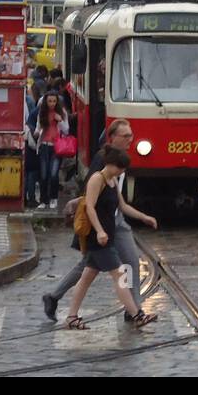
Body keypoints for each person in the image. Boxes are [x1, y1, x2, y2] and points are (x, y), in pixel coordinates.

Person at [41, 118, 157, 323]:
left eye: (131, 135)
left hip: (115, 221)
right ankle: (133, 311)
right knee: (95, 269)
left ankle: (133, 309)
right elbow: (91, 193)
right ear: (112, 138)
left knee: (125, 263)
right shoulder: (102, 160)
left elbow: (118, 199)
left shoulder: (121, 158)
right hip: (101, 224)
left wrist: (143, 216)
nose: (130, 139)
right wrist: (80, 205)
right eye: (125, 136)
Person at [59, 147, 153, 330]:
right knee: (119, 274)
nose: (122, 171)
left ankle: (71, 316)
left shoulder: (113, 180)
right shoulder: (97, 179)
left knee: (86, 277)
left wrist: (144, 217)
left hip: (106, 237)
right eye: (120, 168)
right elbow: (90, 208)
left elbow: (123, 206)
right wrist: (100, 231)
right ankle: (137, 315)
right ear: (110, 165)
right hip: (98, 238)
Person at [32, 91, 67, 210]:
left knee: (53, 174)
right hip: (44, 145)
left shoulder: (62, 113)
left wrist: (60, 120)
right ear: (45, 102)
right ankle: (43, 199)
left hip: (56, 146)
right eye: (49, 101)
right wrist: (37, 131)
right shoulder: (42, 113)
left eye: (54, 101)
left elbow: (66, 130)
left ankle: (53, 198)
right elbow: (37, 129)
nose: (52, 103)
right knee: (43, 174)